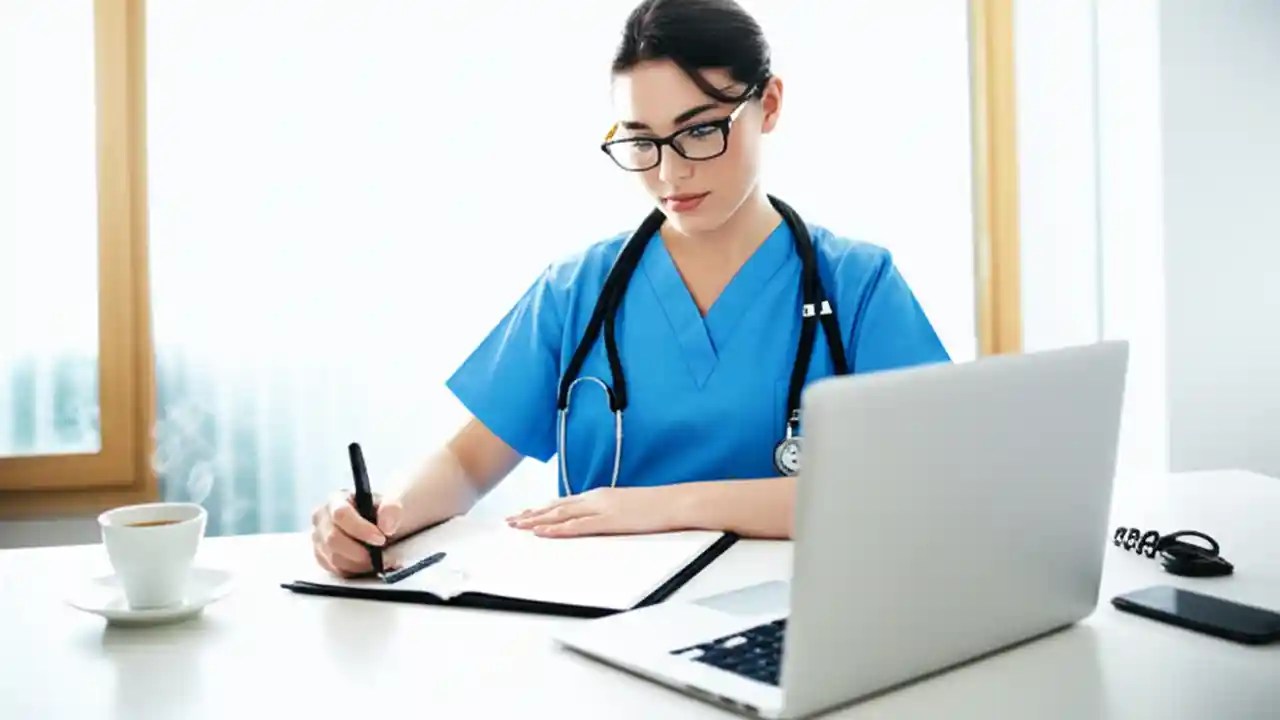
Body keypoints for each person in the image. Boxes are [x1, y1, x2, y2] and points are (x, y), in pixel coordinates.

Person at [311, 0, 949, 578]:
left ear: (770, 105)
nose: (671, 172)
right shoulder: (577, 289)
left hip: (795, 621)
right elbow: (467, 463)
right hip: (596, 623)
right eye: (642, 141)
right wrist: (381, 515)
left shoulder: (859, 287)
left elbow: (917, 487)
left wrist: (666, 506)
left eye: (701, 129)